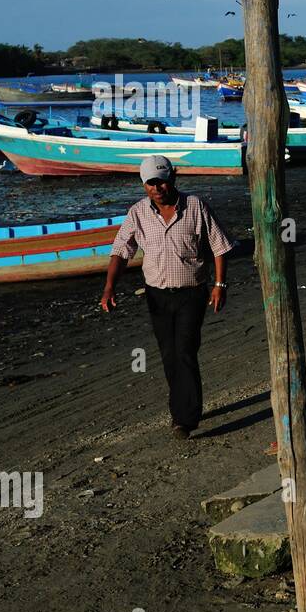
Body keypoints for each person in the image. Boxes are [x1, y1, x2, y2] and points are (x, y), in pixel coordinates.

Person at [101, 156, 234, 439]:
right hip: (157, 296)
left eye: (161, 181)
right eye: (151, 183)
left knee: (185, 350)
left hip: (192, 293)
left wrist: (220, 284)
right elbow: (121, 251)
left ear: (172, 178)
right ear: (144, 185)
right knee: (169, 354)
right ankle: (185, 408)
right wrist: (109, 287)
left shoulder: (196, 207)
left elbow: (220, 247)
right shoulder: (137, 213)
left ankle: (183, 419)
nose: (157, 187)